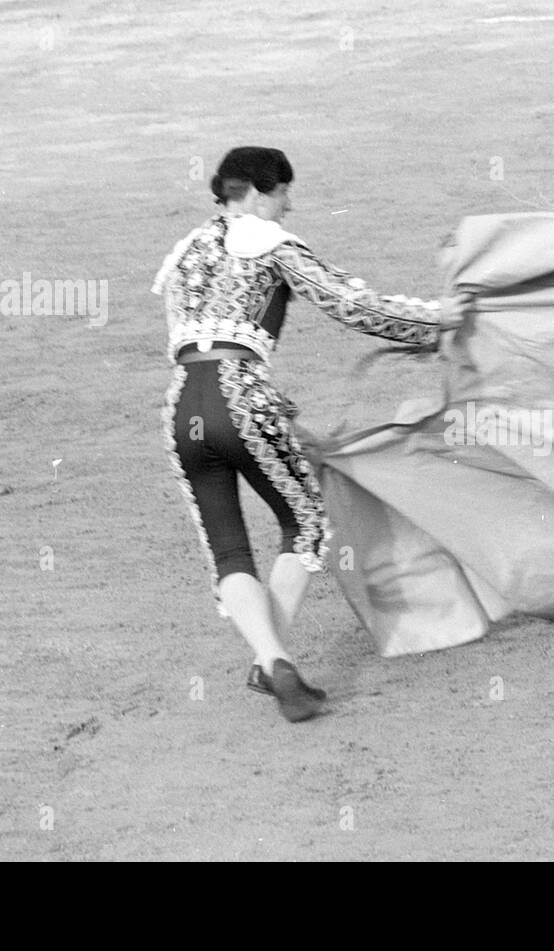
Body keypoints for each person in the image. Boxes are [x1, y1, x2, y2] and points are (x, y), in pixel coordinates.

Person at [154, 146, 452, 722]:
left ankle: (271, 658)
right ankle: (274, 659)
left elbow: (199, 343)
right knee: (307, 522)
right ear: (262, 192)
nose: (288, 205)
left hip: (180, 408)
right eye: (285, 192)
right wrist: (440, 321)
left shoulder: (187, 254)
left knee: (228, 548)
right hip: (243, 398)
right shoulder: (270, 244)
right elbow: (354, 308)